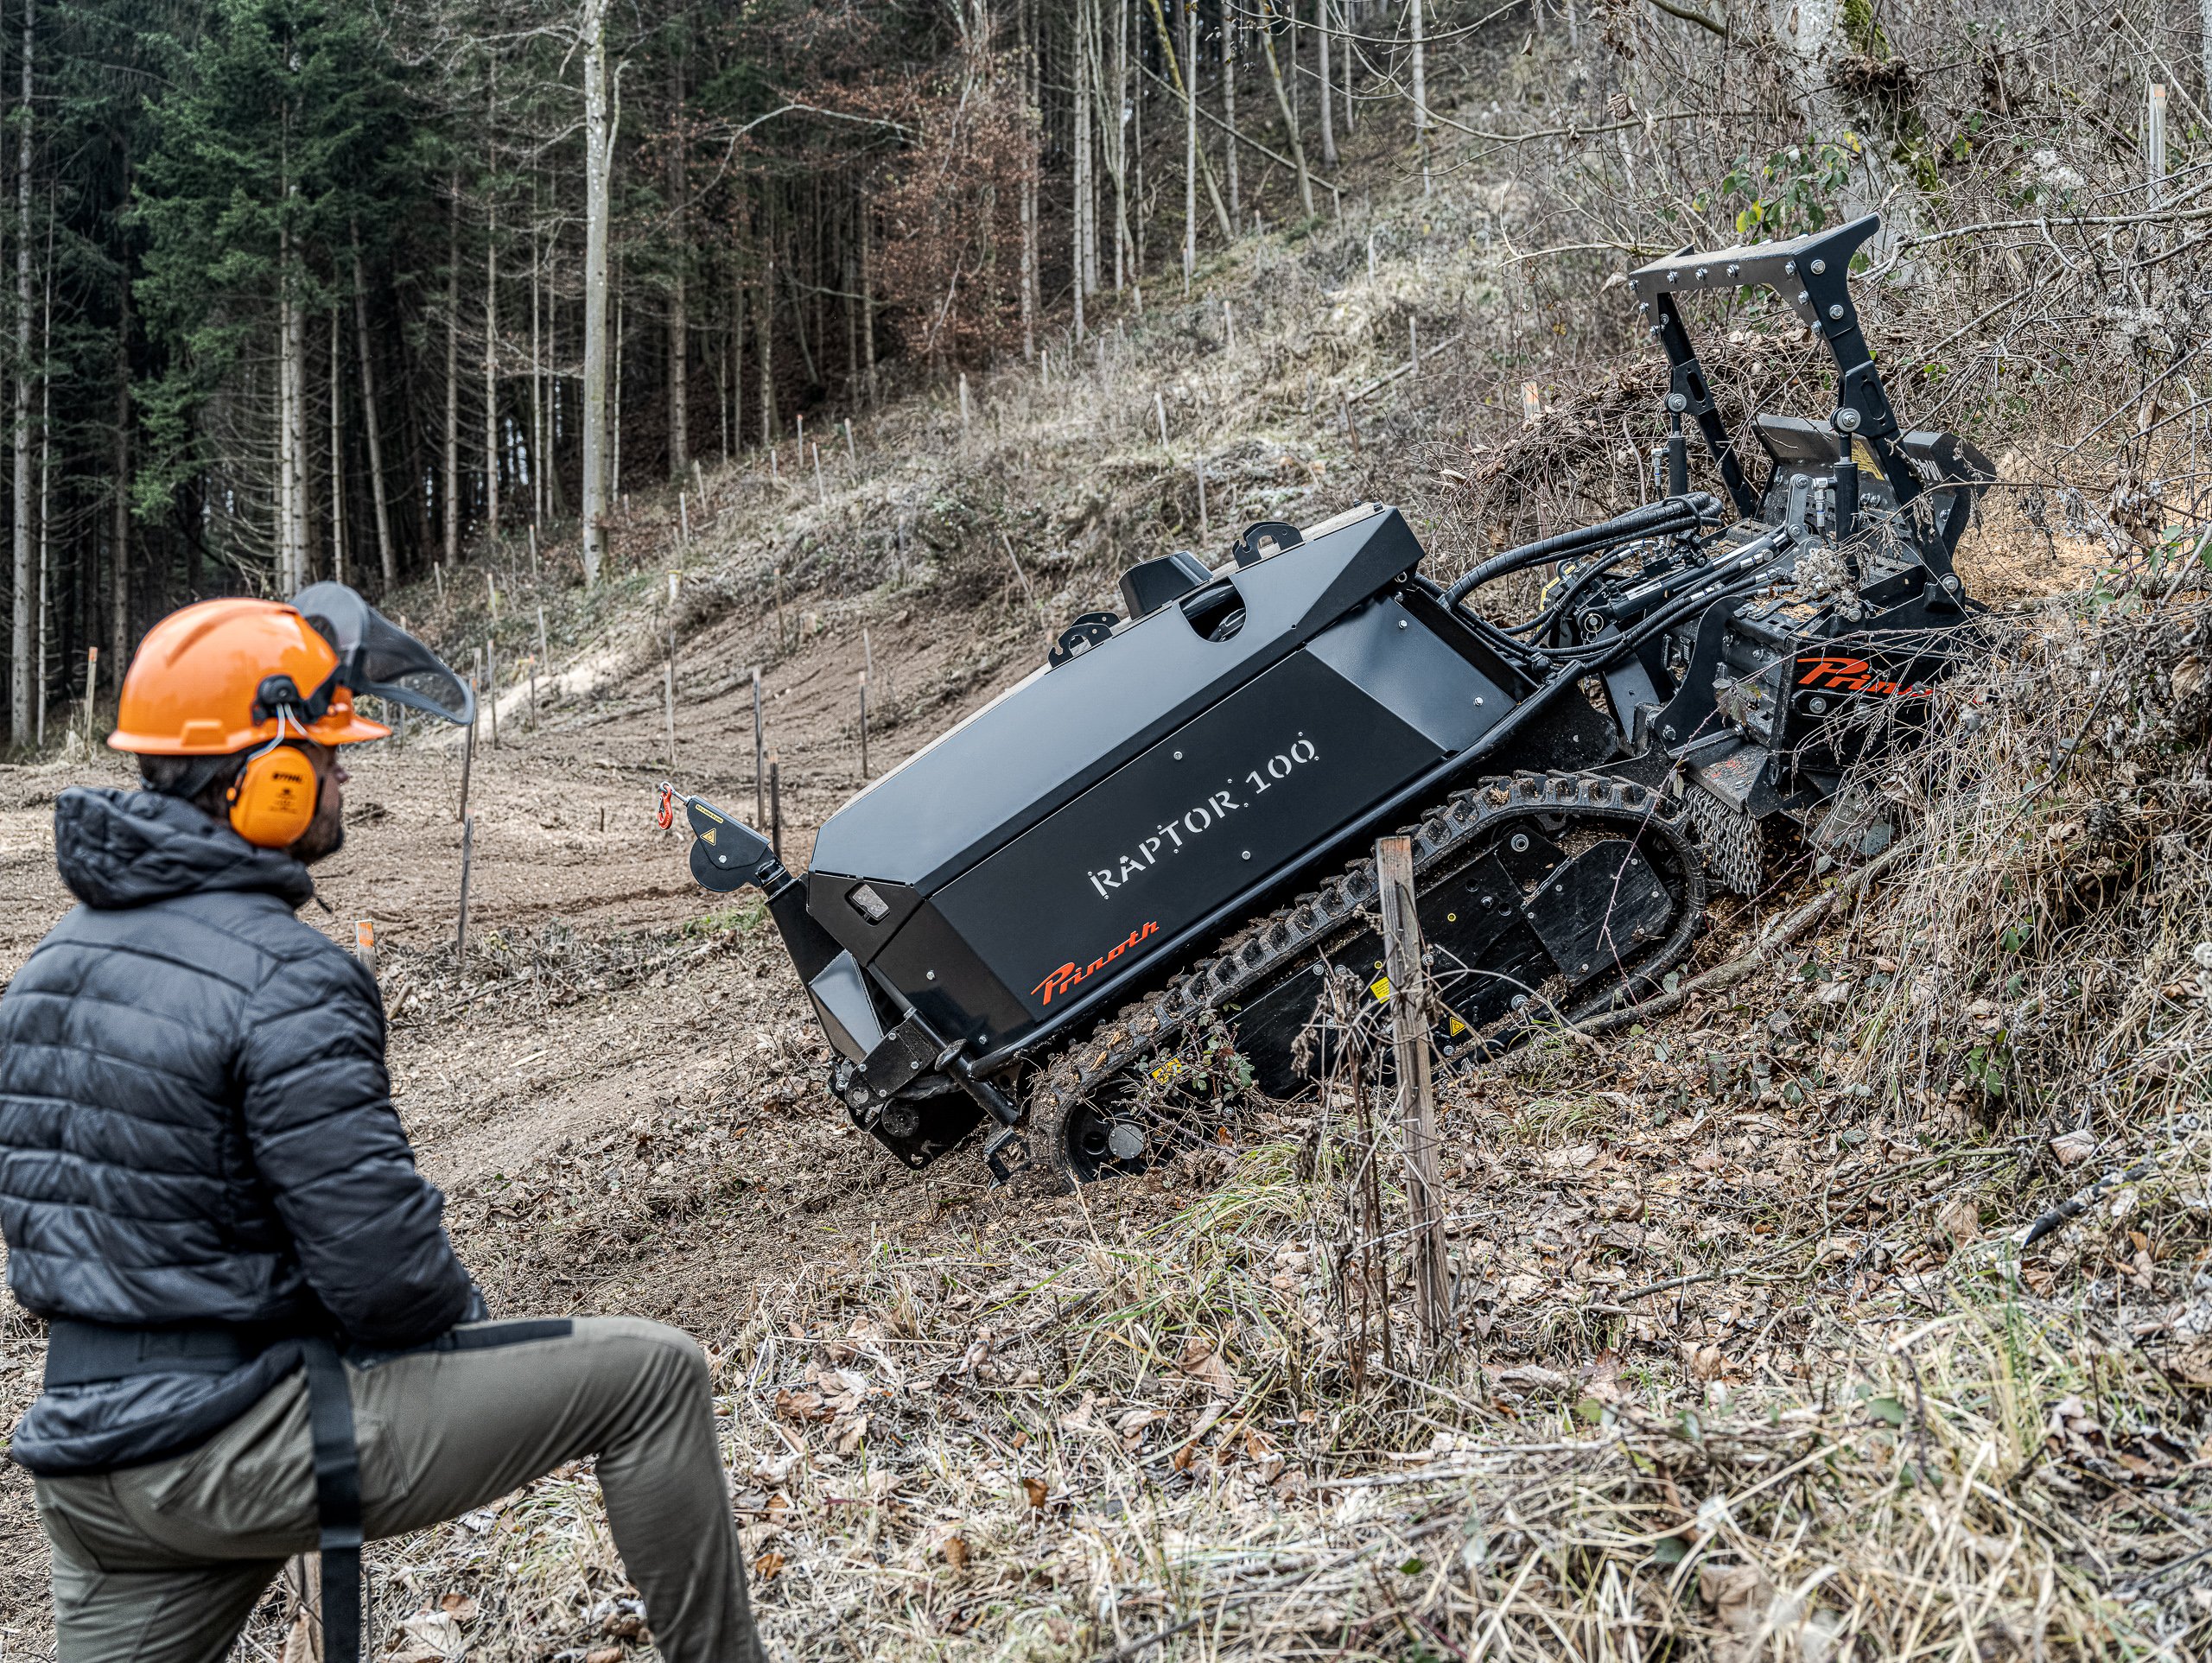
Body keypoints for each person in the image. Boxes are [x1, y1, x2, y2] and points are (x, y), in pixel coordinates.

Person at [0, 590, 765, 1663]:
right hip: (225, 1446)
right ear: (266, 774)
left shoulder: (45, 970)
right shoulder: (290, 974)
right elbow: (386, 1275)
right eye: (326, 750)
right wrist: (472, 1331)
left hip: (88, 1463)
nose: (345, 772)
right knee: (652, 1372)